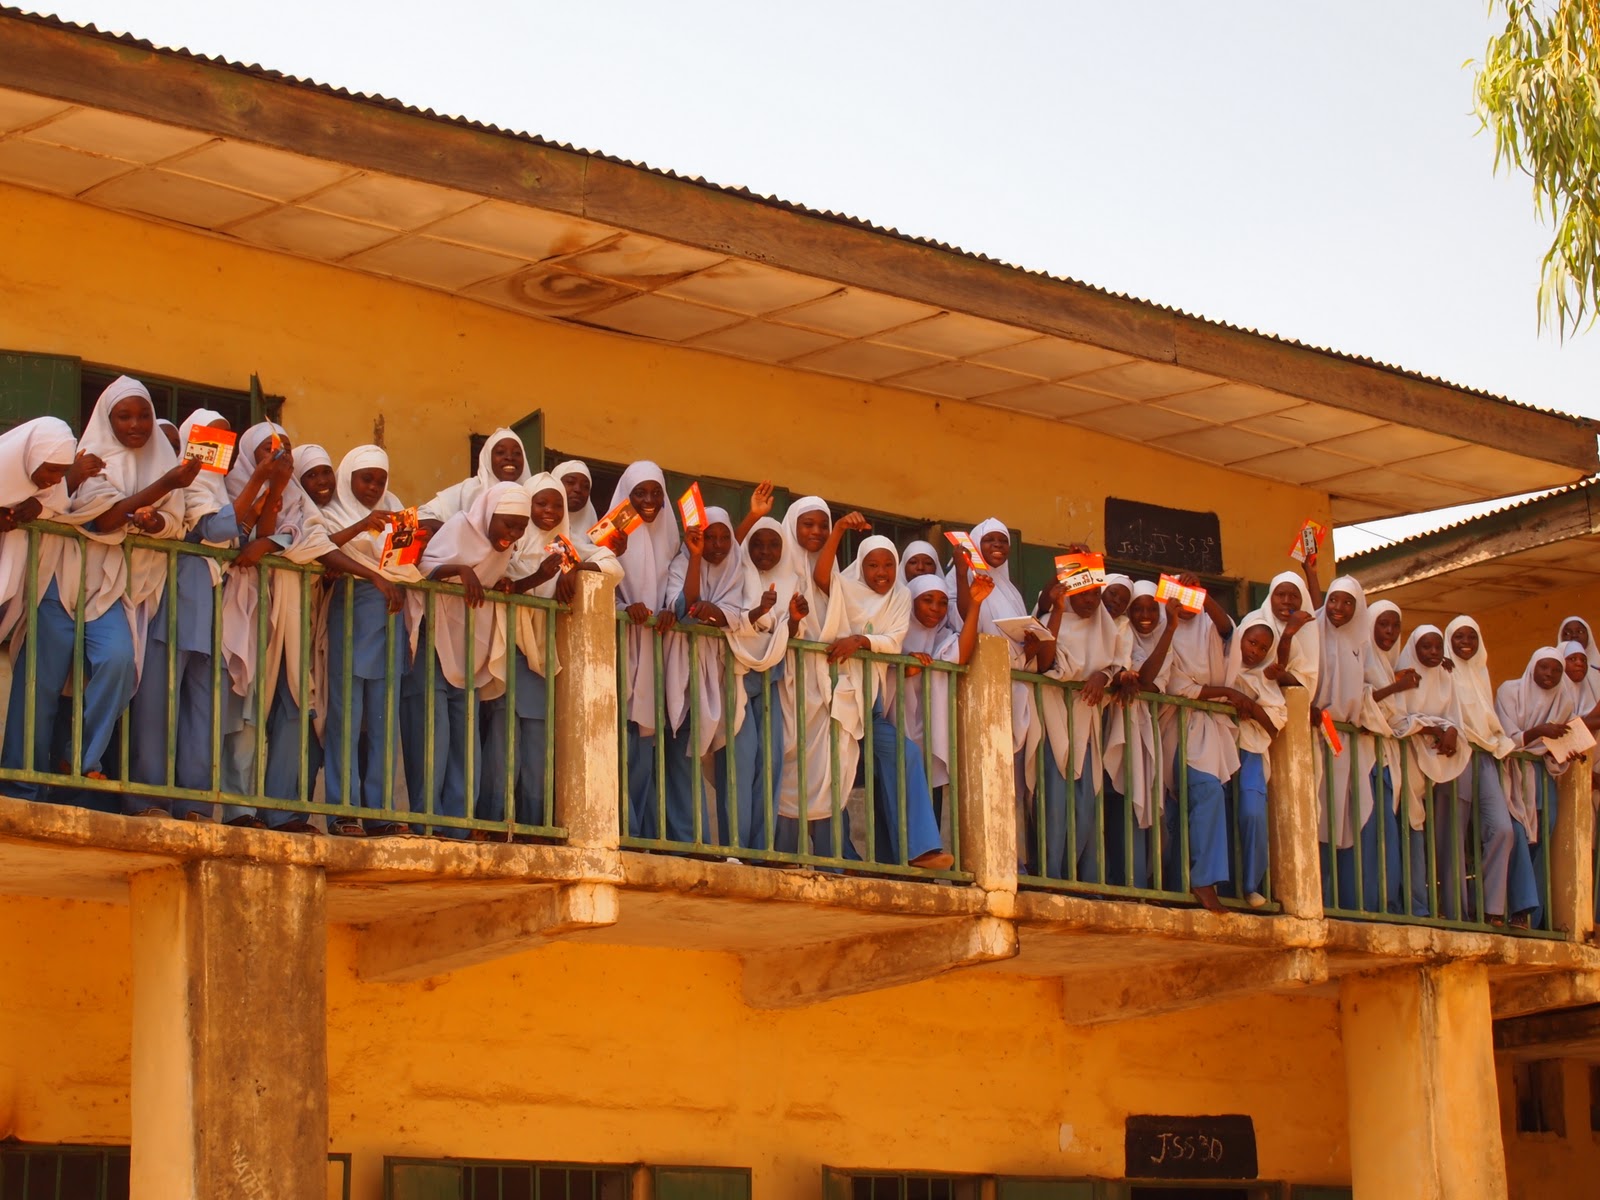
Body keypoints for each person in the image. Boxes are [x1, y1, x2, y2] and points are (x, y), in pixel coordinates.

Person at [1, 377, 197, 809]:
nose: (136, 424)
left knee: (119, 662)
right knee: (40, 685)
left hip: (112, 589)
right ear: (106, 418)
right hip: (61, 577)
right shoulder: (89, 458)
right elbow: (104, 519)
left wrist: (153, 521)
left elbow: (176, 523)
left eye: (143, 414)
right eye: (124, 415)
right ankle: (20, 787)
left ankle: (79, 759)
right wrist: (166, 485)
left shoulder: (162, 459)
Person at [126, 410, 280, 822]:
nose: (219, 444)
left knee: (201, 709)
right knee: (158, 704)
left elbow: (242, 534)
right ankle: (148, 797)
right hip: (178, 598)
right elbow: (212, 529)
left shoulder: (221, 483)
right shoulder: (183, 479)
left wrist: (263, 487)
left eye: (225, 438)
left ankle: (193, 802)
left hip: (213, 605)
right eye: (211, 435)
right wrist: (256, 482)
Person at [813, 528, 953, 870]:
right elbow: (821, 575)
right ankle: (839, 857)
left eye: (889, 565)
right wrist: (841, 528)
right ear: (861, 566)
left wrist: (859, 641)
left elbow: (893, 641)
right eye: (873, 565)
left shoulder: (900, 597)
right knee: (837, 771)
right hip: (832, 697)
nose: (881, 573)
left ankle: (919, 849)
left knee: (905, 753)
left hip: (870, 704)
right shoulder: (845, 588)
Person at [405, 480, 527, 837]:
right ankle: (428, 819)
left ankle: (458, 823)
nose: (513, 533)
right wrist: (459, 568)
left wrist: (502, 581)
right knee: (434, 734)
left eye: (520, 528)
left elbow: (493, 577)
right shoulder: (459, 527)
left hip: (468, 646)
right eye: (507, 524)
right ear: (489, 514)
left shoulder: (503, 549)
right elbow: (424, 567)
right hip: (433, 639)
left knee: (465, 738)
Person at [318, 445, 414, 836]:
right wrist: (363, 527)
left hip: (389, 617)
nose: (374, 487)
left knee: (382, 719)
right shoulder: (331, 511)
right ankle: (343, 810)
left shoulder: (397, 511)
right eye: (366, 478)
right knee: (346, 715)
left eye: (380, 479)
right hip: (350, 613)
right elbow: (321, 549)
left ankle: (382, 811)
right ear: (349, 478)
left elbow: (407, 562)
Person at [660, 507, 748, 847]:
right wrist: (695, 558)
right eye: (709, 537)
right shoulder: (682, 563)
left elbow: (733, 615)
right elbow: (685, 608)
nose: (717, 544)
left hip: (714, 674)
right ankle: (688, 839)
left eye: (725, 537)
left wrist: (717, 615)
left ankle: (697, 839)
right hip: (676, 665)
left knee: (690, 753)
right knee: (676, 752)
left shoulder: (734, 569)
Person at [724, 513, 806, 855]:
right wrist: (758, 613)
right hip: (739, 675)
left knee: (770, 763)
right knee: (740, 763)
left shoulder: (791, 580)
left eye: (774, 544)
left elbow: (792, 632)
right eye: (757, 544)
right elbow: (731, 618)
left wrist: (796, 619)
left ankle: (762, 848)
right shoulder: (737, 574)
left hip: (772, 680)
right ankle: (736, 847)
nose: (765, 551)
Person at [608, 461, 681, 841]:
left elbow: (675, 580)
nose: (649, 501)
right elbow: (598, 581)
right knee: (615, 742)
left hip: (654, 648)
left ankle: (637, 833)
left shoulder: (670, 537)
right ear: (627, 496)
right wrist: (625, 608)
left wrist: (669, 609)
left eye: (656, 493)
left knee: (643, 749)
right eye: (640, 493)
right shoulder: (611, 532)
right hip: (617, 647)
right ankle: (620, 830)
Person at [1157, 574, 1239, 912]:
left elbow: (1227, 629)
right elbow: (1177, 686)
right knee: (1205, 792)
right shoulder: (1165, 629)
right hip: (1177, 727)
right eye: (1178, 596)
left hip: (1211, 729)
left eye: (1189, 597)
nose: (1186, 604)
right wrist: (1227, 694)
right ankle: (1203, 881)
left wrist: (1202, 596)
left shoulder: (1208, 626)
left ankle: (1190, 884)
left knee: (1194, 804)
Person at [1031, 573, 1119, 883]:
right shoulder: (1049, 617)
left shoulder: (1104, 626)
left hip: (1087, 717)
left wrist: (1101, 677)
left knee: (1085, 803)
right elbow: (1043, 663)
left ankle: (1082, 877)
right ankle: (1052, 875)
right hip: (1052, 714)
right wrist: (1056, 610)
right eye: (1082, 594)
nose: (1090, 601)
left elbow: (1114, 666)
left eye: (1095, 594)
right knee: (1053, 802)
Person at [896, 570, 990, 842]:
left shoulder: (942, 635)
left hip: (928, 732)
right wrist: (904, 666)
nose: (935, 609)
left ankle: (926, 858)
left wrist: (975, 605)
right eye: (927, 601)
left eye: (941, 603)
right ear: (911, 601)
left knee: (930, 796)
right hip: (896, 726)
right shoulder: (895, 631)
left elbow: (960, 654)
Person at [1385, 626, 1472, 918]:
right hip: (1402, 760)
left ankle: (1422, 904)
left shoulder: (1446, 677)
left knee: (1423, 827)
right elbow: (1397, 720)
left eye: (1437, 647)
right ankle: (1410, 904)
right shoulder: (1404, 675)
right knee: (1406, 826)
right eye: (1426, 647)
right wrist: (1436, 727)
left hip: (1431, 766)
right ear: (1414, 648)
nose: (1433, 653)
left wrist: (1450, 731)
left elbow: (1457, 721)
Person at [1102, 581, 1182, 889]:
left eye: (1151, 608)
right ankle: (1110, 879)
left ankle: (1133, 882)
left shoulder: (1165, 640)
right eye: (1137, 608)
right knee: (1107, 805)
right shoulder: (1120, 630)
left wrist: (1171, 629)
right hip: (1109, 723)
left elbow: (1149, 679)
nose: (1144, 615)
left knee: (1134, 803)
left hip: (1143, 732)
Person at [775, 495, 843, 855]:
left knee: (823, 768)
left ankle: (829, 855)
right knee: (787, 763)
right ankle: (782, 852)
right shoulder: (776, 566)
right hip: (787, 678)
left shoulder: (834, 574)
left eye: (823, 525)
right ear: (793, 525)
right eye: (808, 524)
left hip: (823, 680)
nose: (816, 532)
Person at [1202, 617, 1285, 906]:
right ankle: (1222, 887)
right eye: (1251, 642)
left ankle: (1251, 885)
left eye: (1264, 648)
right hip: (1217, 744)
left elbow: (1274, 726)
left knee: (1252, 812)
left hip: (1250, 752)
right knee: (1218, 815)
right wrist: (1233, 697)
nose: (1255, 652)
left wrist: (1249, 705)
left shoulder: (1267, 681)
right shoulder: (1220, 667)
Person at [1311, 576, 1382, 912]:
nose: (1339, 609)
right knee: (1316, 815)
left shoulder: (1360, 644)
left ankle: (1344, 900)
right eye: (1334, 600)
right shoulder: (1316, 631)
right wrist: (1311, 574)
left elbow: (1367, 690)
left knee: (1342, 820)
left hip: (1343, 741)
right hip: (1313, 734)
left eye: (1348, 602)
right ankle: (1317, 896)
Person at [1443, 615, 1519, 925]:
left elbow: (1486, 720)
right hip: (1455, 758)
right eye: (1459, 637)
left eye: (1471, 637)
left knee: (1502, 829)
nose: (1465, 643)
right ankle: (1456, 913)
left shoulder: (1480, 672)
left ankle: (1492, 907)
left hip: (1484, 757)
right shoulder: (1443, 671)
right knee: (1453, 838)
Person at [1497, 645, 1577, 928]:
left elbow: (1553, 751)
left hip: (1542, 778)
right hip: (1511, 773)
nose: (1550, 674)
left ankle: (1536, 915)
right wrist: (1540, 732)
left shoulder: (1564, 700)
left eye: (1557, 670)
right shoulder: (1509, 691)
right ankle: (1519, 908)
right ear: (1533, 666)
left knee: (1541, 839)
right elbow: (1505, 738)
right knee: (1517, 835)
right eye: (1544, 667)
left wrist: (1567, 750)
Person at [1364, 600, 1426, 916]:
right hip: (1367, 760)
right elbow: (1360, 701)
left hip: (1387, 760)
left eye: (1394, 626)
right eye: (1382, 624)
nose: (1389, 632)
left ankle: (1389, 903)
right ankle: (1378, 904)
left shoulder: (1387, 664)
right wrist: (1396, 686)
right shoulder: (1362, 657)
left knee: (1387, 836)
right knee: (1374, 835)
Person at [418, 427, 531, 530]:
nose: (509, 457)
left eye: (516, 453)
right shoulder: (468, 491)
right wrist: (459, 535)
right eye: (500, 452)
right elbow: (420, 517)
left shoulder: (532, 498)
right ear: (487, 458)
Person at [294, 444, 335, 509]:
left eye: (327, 472)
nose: (323, 481)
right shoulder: (290, 517)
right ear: (297, 480)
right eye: (311, 475)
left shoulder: (344, 512)